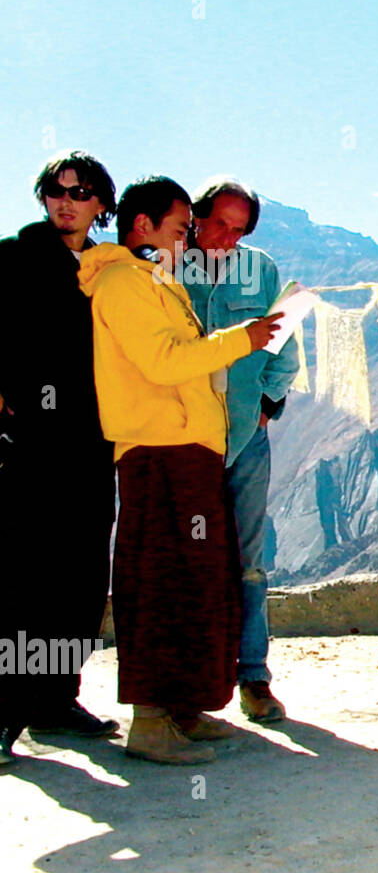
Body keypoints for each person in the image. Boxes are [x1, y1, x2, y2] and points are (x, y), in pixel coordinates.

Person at [77, 176, 282, 764]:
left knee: (196, 581)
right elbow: (164, 362)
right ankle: (148, 719)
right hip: (155, 449)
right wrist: (238, 341)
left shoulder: (155, 284)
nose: (188, 237)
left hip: (189, 447)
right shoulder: (121, 282)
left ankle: (182, 708)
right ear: (142, 226)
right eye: (179, 227)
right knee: (160, 579)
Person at [0, 151, 120, 764]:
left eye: (81, 190)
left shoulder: (111, 268)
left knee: (79, 576)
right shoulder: (14, 257)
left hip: (93, 441)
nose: (65, 200)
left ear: (101, 202)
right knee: (25, 577)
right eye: (55, 189)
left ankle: (56, 701)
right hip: (30, 446)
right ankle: (4, 711)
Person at [185, 177, 299, 723]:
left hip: (245, 437)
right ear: (195, 218)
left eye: (238, 229)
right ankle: (191, 684)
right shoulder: (167, 270)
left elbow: (284, 344)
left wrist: (264, 406)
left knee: (249, 561)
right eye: (218, 225)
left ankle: (253, 676)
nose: (225, 239)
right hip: (184, 438)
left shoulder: (263, 270)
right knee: (189, 559)